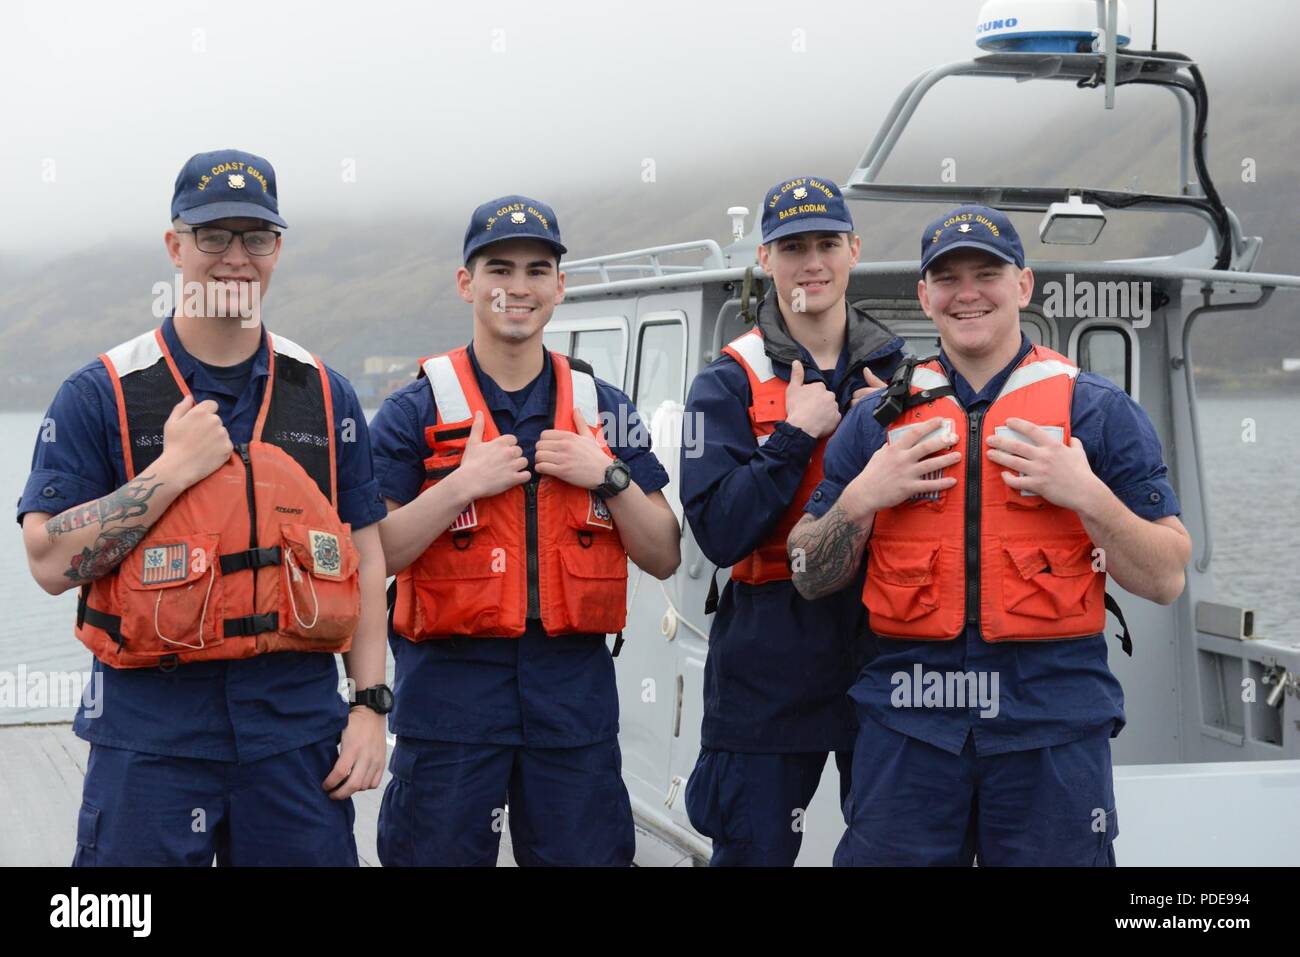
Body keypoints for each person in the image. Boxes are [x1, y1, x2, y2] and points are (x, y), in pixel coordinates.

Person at [17, 149, 390, 866]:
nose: (235, 259)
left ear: (278, 247)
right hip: (149, 734)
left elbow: (366, 558)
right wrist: (171, 471)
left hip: (294, 736)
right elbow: (49, 562)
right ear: (174, 246)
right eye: (213, 235)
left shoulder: (327, 394)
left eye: (256, 237)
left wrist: (370, 705)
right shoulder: (100, 393)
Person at [790, 204, 1191, 866]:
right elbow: (807, 571)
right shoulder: (875, 425)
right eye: (947, 278)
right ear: (925, 295)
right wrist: (862, 497)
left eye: (987, 273)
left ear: (1023, 286)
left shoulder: (1099, 411)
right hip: (907, 728)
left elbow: (1166, 576)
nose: (967, 292)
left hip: (1052, 732)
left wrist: (1087, 494)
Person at [370, 195, 681, 866]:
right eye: (499, 268)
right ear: (466, 282)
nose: (518, 287)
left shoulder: (604, 409)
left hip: (572, 707)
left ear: (560, 286)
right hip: (448, 706)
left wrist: (609, 475)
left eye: (538, 270)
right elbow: (374, 556)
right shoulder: (413, 409)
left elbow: (663, 551)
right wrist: (459, 484)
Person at [680, 176, 903, 866]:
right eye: (792, 246)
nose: (812, 261)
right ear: (766, 259)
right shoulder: (723, 382)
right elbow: (718, 531)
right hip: (768, 661)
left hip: (886, 648)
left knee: (902, 849)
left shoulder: (903, 375)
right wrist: (793, 438)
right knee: (755, 849)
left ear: (854, 250)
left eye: (827, 243)